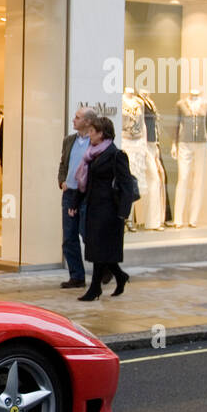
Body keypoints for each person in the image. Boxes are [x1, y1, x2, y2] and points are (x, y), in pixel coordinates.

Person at [69, 115, 132, 301]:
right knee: (99, 249)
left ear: (101, 134)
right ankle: (120, 276)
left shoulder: (116, 155)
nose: (89, 135)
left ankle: (95, 288)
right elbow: (84, 183)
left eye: (92, 132)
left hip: (110, 211)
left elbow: (126, 185)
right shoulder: (92, 153)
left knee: (99, 250)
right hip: (93, 207)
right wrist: (75, 202)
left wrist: (123, 213)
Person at [57, 106, 94, 288]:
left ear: (87, 121)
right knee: (69, 236)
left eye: (78, 117)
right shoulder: (69, 140)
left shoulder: (95, 142)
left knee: (87, 234)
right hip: (69, 193)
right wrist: (62, 180)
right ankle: (77, 276)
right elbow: (63, 163)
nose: (74, 120)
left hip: (86, 194)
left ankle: (106, 268)